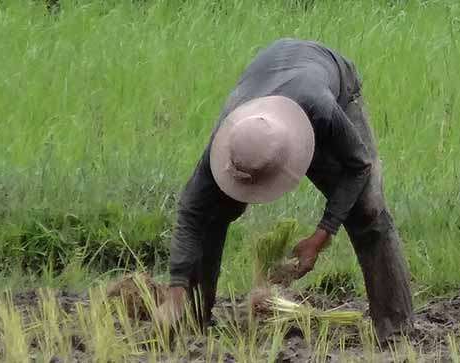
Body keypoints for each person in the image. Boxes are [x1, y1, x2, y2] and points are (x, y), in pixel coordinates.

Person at [155, 38, 413, 342]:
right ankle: (193, 320)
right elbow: (191, 209)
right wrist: (175, 289)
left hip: (327, 82)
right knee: (212, 211)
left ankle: (396, 332)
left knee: (367, 211)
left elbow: (359, 166)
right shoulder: (232, 133)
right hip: (267, 85)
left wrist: (321, 235)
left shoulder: (323, 110)